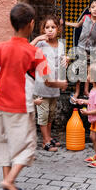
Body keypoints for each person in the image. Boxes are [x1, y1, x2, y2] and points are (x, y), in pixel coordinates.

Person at [0, 3, 50, 190]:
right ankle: (9, 181)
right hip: (21, 107)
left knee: (4, 144)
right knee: (27, 146)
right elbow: (46, 78)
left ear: (12, 23)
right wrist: (62, 83)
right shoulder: (34, 53)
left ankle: (7, 189)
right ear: (31, 25)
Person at [30, 15, 68, 152]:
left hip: (55, 85)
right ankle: (45, 141)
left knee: (51, 114)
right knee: (43, 114)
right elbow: (26, 50)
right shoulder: (41, 44)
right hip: (42, 85)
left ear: (58, 29)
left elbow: (61, 62)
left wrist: (66, 59)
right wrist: (37, 38)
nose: (50, 30)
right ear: (43, 29)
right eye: (47, 27)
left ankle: (49, 137)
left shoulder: (61, 45)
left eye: (53, 27)